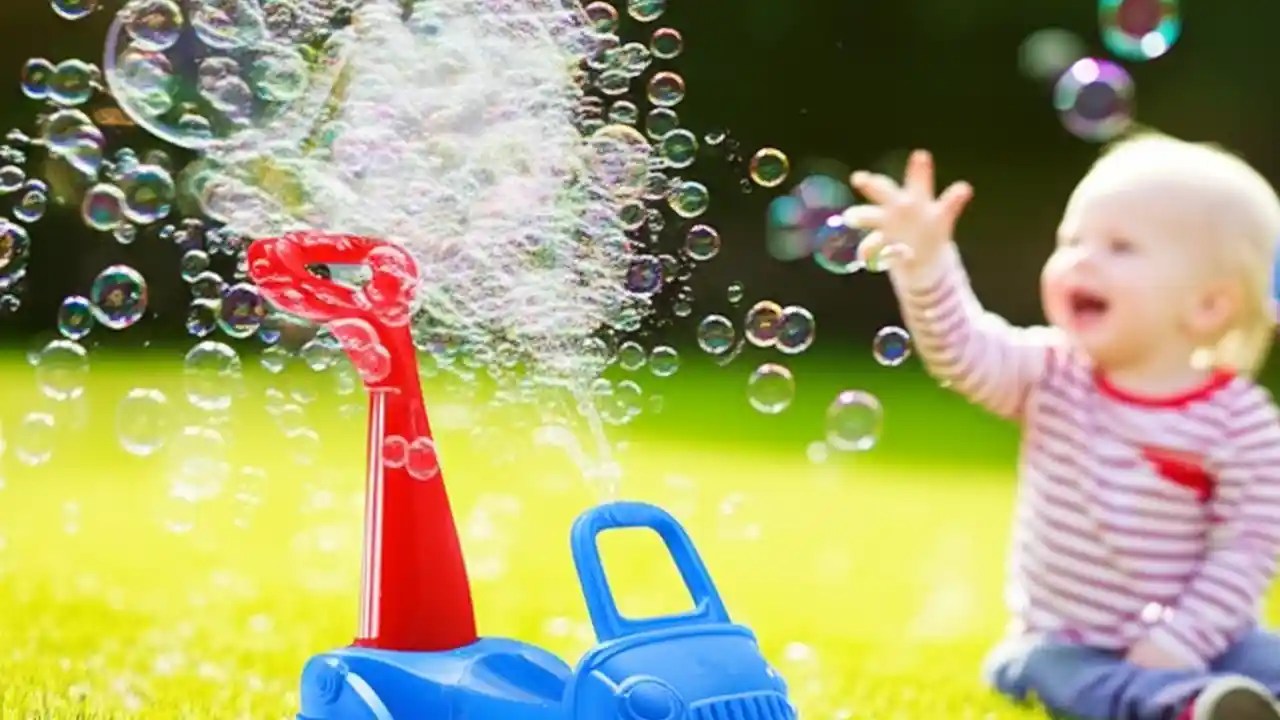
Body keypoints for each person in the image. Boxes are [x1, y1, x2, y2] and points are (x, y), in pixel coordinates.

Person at [846, 134, 1280, 720]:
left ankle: (1204, 690)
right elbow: (962, 351)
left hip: (1206, 634)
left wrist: (1181, 642)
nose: (1082, 260)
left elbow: (1247, 552)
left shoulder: (1241, 421)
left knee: (1263, 654)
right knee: (1048, 674)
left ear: (1208, 306)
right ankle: (1188, 708)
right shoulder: (1051, 374)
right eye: (1071, 241)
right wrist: (927, 267)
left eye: (1120, 247)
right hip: (1066, 639)